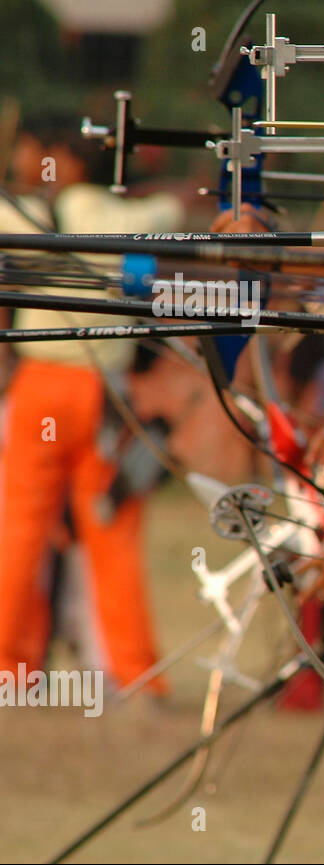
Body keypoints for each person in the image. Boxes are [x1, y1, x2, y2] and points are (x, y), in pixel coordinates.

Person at [0, 116, 181, 691]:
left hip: (43, 386)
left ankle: (12, 668)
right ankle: (136, 673)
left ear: (65, 161)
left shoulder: (31, 213)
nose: (21, 162)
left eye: (30, 151)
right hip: (107, 398)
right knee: (112, 530)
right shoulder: (128, 217)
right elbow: (168, 214)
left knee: (20, 531)